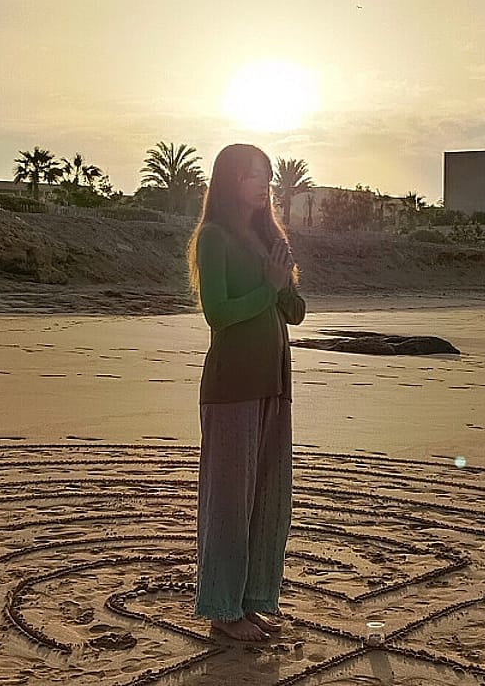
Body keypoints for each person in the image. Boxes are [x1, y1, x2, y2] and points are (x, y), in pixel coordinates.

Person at [187, 143, 306, 642]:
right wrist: (267, 288)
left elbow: (295, 313)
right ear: (227, 181)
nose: (262, 183)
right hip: (233, 385)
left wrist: (281, 282)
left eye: (266, 175)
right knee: (230, 504)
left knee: (267, 500)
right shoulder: (214, 238)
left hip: (273, 385)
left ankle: (250, 600)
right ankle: (221, 608)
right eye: (250, 174)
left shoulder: (267, 237)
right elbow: (218, 314)